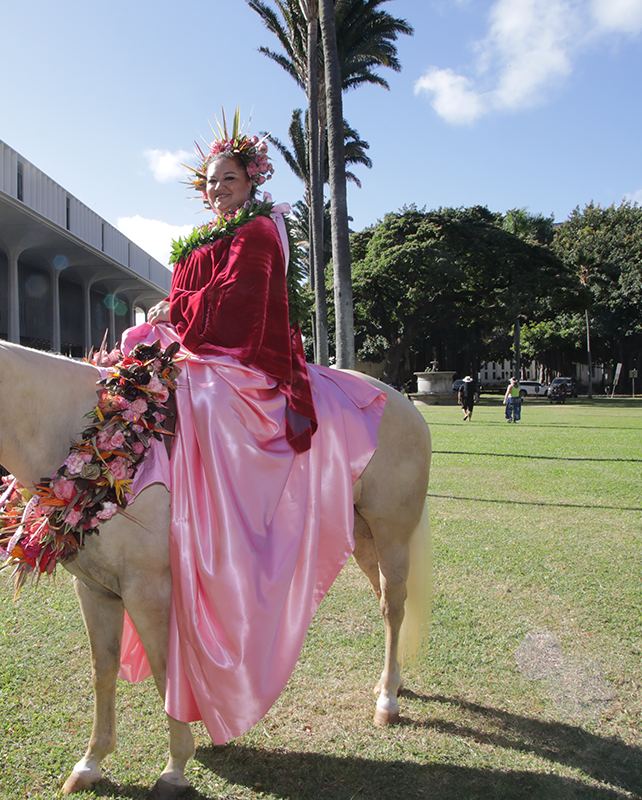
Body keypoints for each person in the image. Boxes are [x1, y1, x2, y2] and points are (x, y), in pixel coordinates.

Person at [120, 114, 386, 744]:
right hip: (195, 349)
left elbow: (238, 306)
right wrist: (161, 317)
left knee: (202, 400)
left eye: (229, 179)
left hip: (241, 361)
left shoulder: (263, 230)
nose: (217, 190)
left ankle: (229, 534)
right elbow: (193, 303)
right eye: (210, 182)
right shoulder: (197, 242)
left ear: (252, 178)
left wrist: (170, 311)